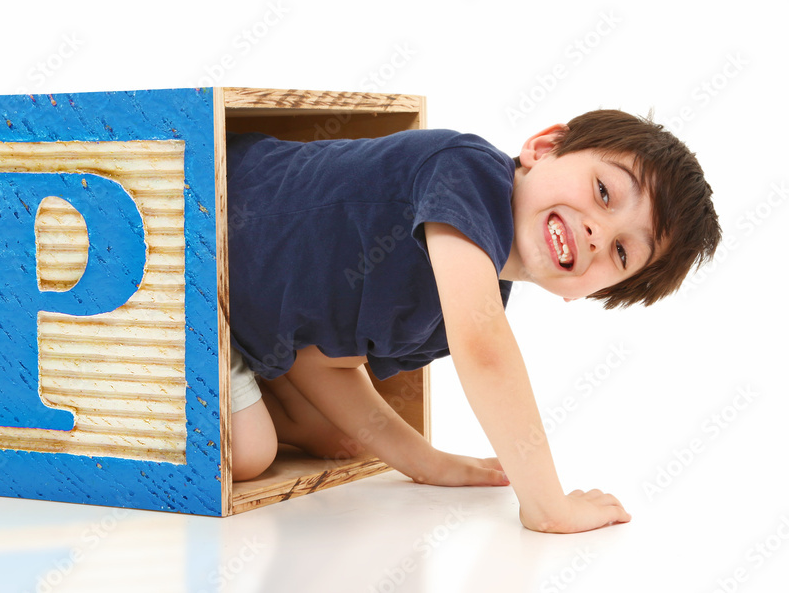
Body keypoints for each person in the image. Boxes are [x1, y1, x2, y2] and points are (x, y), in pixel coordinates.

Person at [224, 110, 720, 534]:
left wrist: (425, 462)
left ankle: (258, 391)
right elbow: (484, 351)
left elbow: (322, 362)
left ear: (587, 293)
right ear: (543, 147)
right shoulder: (469, 171)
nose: (597, 231)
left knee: (344, 440)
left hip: (242, 320)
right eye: (604, 192)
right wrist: (548, 504)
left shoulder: (468, 300)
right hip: (209, 220)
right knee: (249, 453)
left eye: (620, 251)